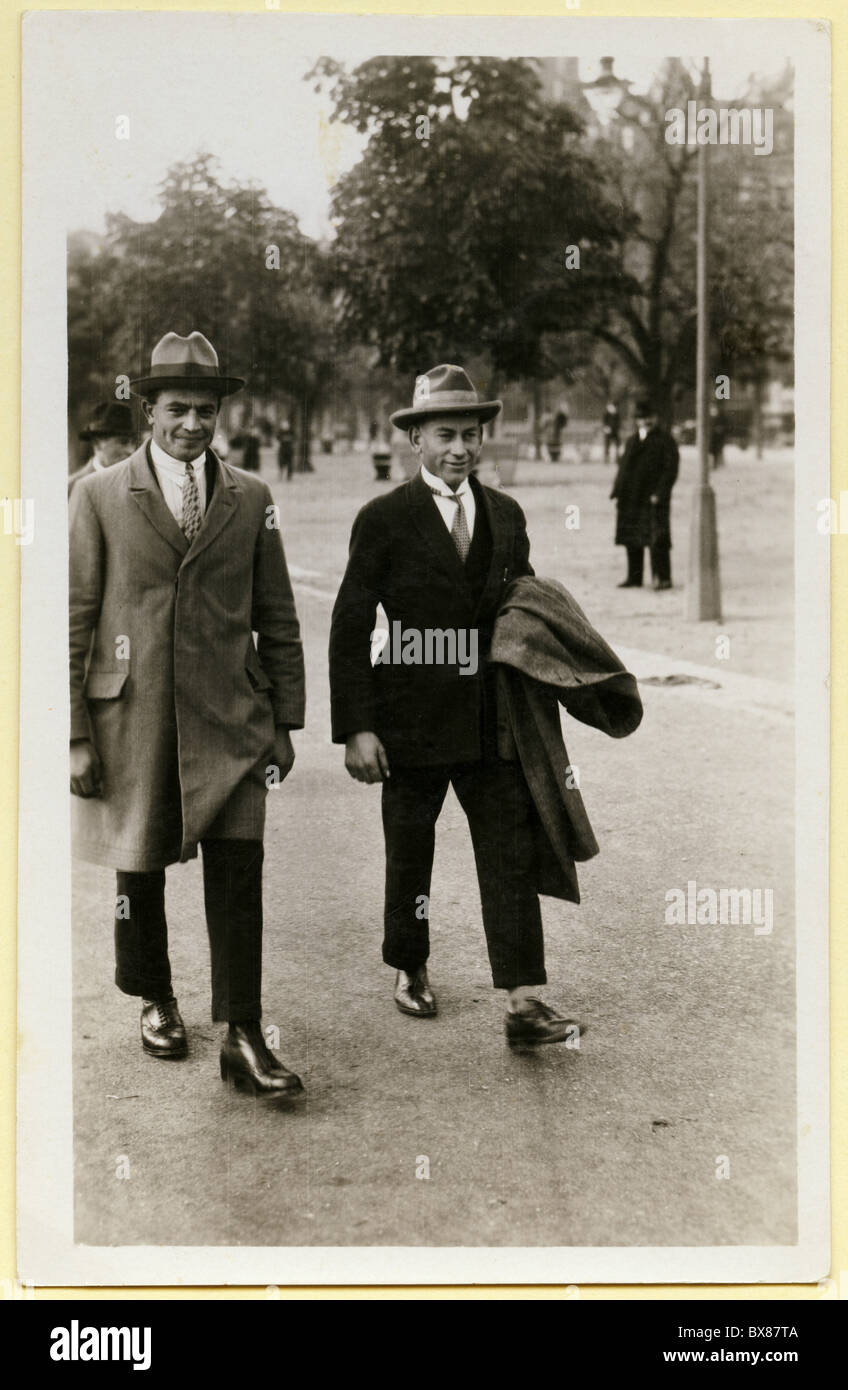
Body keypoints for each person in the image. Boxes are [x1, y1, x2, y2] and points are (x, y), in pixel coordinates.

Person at [69, 332, 306, 1100]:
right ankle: (154, 996)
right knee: (139, 865)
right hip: (132, 713)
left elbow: (278, 613)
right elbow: (74, 616)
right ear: (148, 410)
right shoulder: (99, 495)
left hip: (232, 715)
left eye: (206, 410)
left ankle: (241, 1032)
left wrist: (284, 721)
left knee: (240, 871)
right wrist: (74, 733)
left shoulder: (251, 498)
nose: (193, 425)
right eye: (178, 409)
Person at [329, 364, 587, 1044]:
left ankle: (524, 999)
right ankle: (409, 965)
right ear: (415, 438)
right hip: (407, 719)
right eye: (445, 434)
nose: (460, 449)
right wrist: (356, 727)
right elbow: (350, 625)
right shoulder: (382, 520)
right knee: (408, 850)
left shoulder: (506, 516)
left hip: (492, 719)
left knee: (509, 852)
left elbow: (523, 606)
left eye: (471, 435)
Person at [610, 399, 679, 591]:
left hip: (653, 498)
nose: (645, 422)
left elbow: (670, 470)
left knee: (657, 538)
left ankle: (663, 578)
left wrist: (660, 493)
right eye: (641, 418)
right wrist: (617, 490)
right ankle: (634, 578)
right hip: (631, 497)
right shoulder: (632, 441)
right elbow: (623, 467)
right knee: (632, 538)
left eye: (649, 418)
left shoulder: (665, 441)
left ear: (655, 418)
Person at [69, 402, 135, 495]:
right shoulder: (71, 488)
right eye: (123, 442)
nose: (131, 450)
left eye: (133, 443)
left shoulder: (139, 484)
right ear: (98, 443)